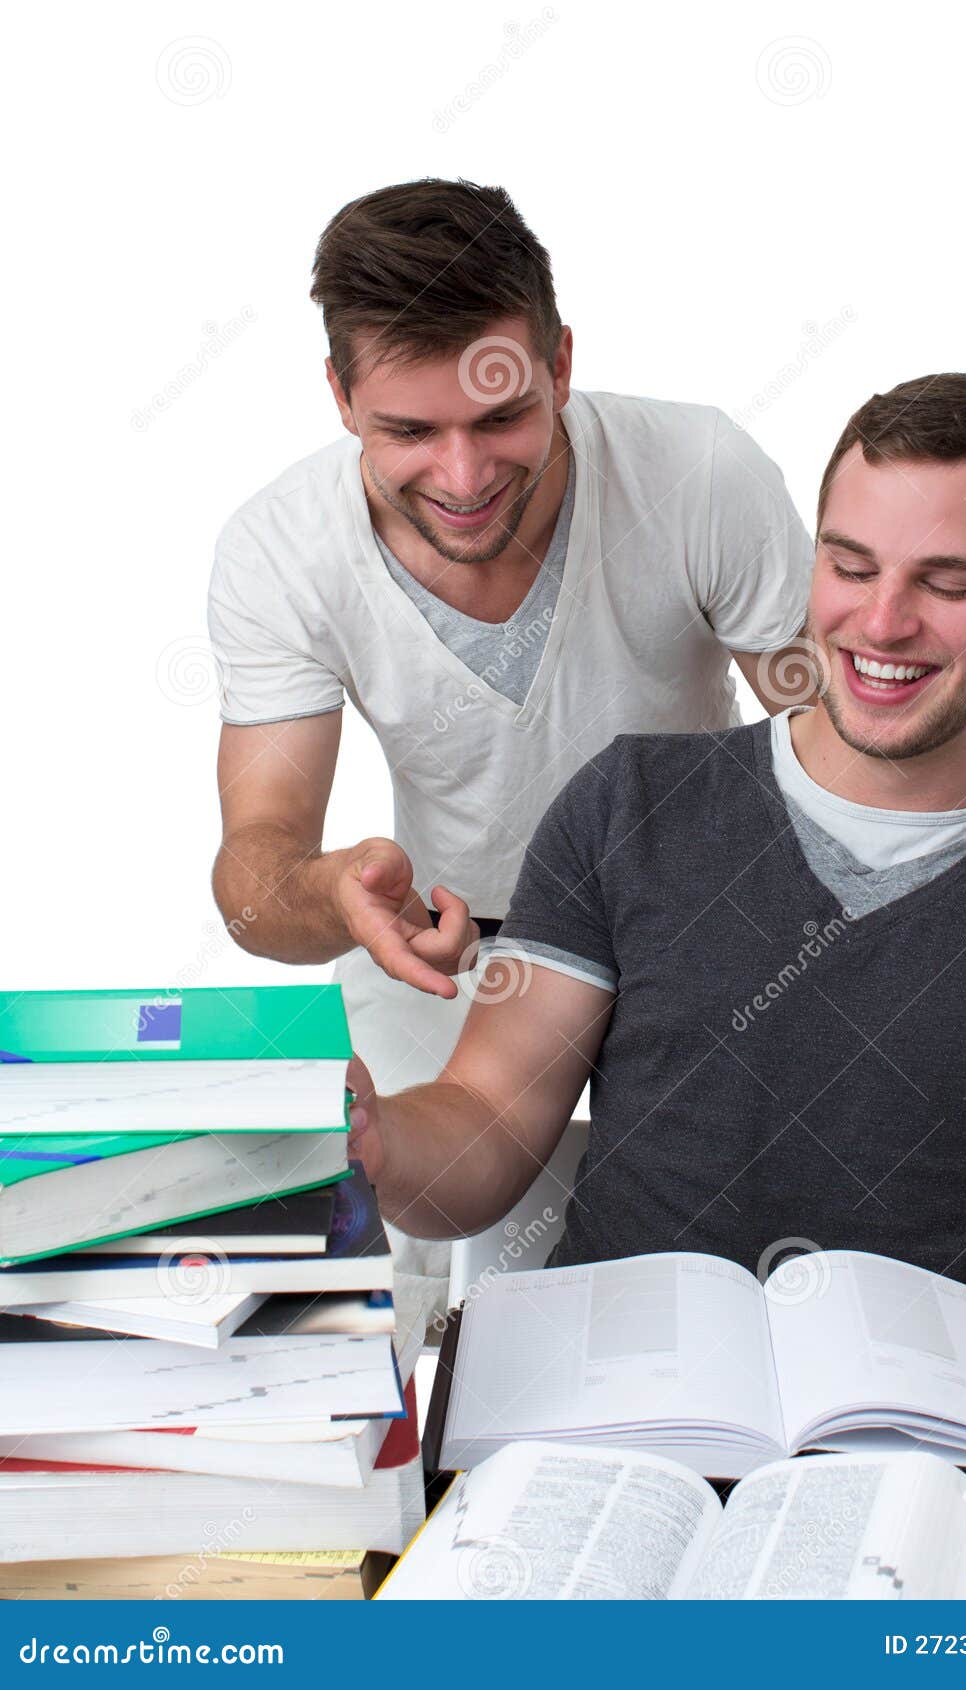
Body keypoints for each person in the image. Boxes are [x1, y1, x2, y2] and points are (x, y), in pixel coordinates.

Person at [345, 371, 966, 1302]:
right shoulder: (630, 805)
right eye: (849, 567)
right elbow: (482, 1129)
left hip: (932, 1438)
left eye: (946, 584)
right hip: (620, 1409)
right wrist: (375, 1136)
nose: (881, 622)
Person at [206, 180, 814, 1295]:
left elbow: (835, 745)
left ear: (559, 366)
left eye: (499, 417)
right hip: (441, 955)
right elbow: (254, 874)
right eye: (409, 430)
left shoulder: (701, 476)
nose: (465, 474)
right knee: (396, 1278)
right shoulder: (279, 553)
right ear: (339, 398)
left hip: (694, 937)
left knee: (708, 1280)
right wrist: (333, 891)